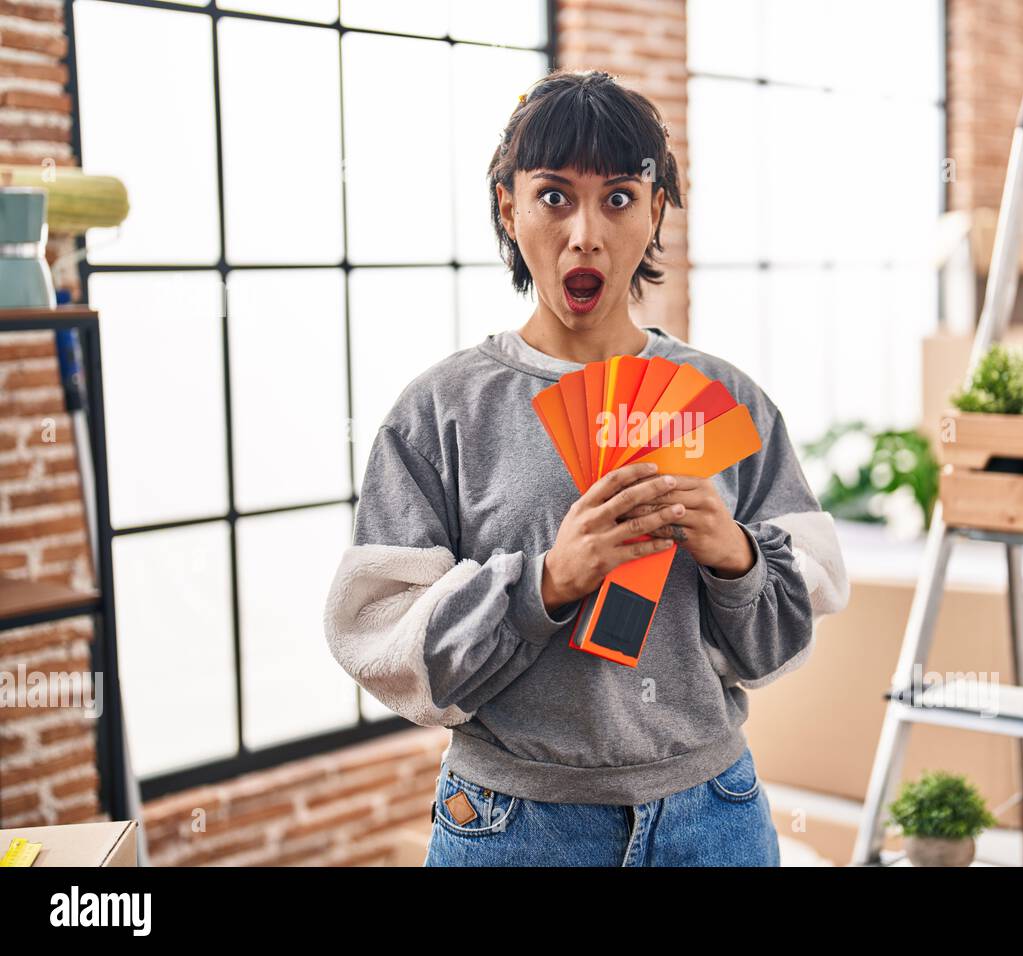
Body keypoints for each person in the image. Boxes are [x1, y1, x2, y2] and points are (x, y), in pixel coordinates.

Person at [323, 69, 849, 867]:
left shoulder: (726, 399)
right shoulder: (441, 410)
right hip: (514, 822)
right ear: (509, 206)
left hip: (714, 814)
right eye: (555, 196)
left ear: (656, 212)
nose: (585, 236)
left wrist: (735, 555)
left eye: (618, 198)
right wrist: (546, 583)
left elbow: (780, 640)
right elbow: (379, 641)